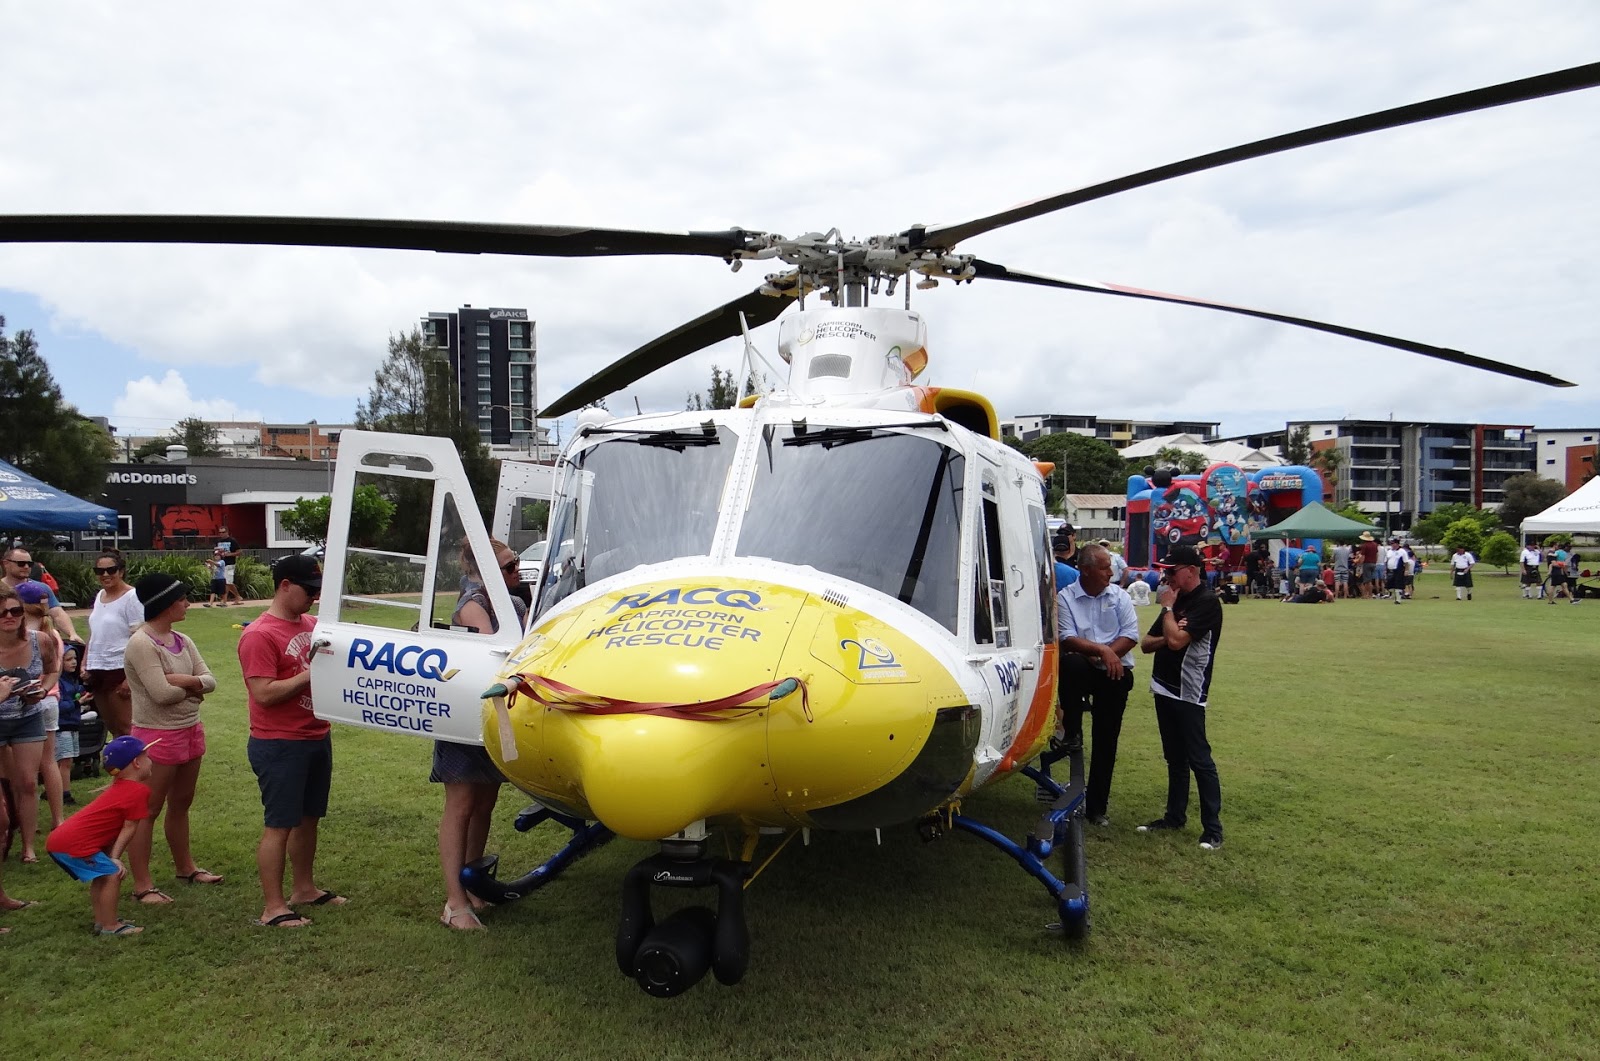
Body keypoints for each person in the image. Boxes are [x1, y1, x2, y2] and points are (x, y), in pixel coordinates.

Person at [238, 553, 342, 928]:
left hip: (315, 735)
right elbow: (263, 693)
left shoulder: (312, 624)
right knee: (279, 824)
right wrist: (310, 675)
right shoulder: (259, 635)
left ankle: (304, 889)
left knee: (308, 819)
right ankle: (273, 908)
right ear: (284, 586)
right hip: (279, 743)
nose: (314, 598)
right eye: (308, 590)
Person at [435, 537, 526, 930]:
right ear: (487, 570)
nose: (517, 573)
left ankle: (472, 886)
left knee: (485, 802)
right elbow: (498, 652)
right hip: (465, 714)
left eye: (516, 563)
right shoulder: (473, 604)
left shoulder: (512, 602)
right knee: (461, 804)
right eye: (508, 567)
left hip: (492, 714)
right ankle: (455, 902)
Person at [124, 573, 224, 905]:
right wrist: (192, 685)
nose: (188, 603)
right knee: (147, 811)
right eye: (182, 598)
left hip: (190, 730)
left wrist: (185, 681)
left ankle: (186, 868)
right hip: (156, 736)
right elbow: (160, 694)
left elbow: (210, 680)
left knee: (181, 804)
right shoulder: (141, 643)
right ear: (166, 604)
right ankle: (143, 885)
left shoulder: (183, 639)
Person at [1136, 543, 1225, 850]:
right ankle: (1174, 817)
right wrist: (1171, 624)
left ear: (1190, 571)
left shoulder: (1206, 601)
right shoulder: (1177, 600)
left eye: (1171, 572)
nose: (1167, 578)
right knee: (1174, 757)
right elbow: (1146, 644)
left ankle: (1213, 830)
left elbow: (1176, 642)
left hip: (1189, 689)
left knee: (1199, 758)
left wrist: (1168, 610)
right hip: (1163, 686)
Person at [1056, 544, 1138, 827]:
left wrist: (1108, 655)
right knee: (1071, 665)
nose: (1111, 573)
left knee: (1107, 740)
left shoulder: (1120, 596)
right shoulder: (1065, 598)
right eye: (1105, 568)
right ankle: (1073, 730)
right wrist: (1103, 652)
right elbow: (1067, 637)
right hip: (1086, 668)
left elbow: (1130, 634)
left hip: (1114, 673)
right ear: (1086, 570)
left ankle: (1097, 809)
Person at [43, 734, 156, 936]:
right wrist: (114, 858)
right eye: (147, 756)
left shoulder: (121, 787)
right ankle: (110, 926)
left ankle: (102, 920)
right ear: (137, 763)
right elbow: (129, 828)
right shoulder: (138, 791)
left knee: (102, 876)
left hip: (61, 841)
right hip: (71, 844)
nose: (152, 761)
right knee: (112, 874)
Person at [0, 582, 61, 864]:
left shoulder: (40, 640)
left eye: (15, 611)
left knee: (27, 782)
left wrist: (42, 691)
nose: (9, 617)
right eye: (2, 613)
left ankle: (28, 847)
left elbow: (51, 670)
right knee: (6, 784)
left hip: (28, 717)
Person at [18, 582, 67, 830]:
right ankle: (58, 818)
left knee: (24, 768)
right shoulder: (53, 633)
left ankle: (29, 820)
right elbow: (56, 670)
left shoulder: (22, 633)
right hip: (50, 698)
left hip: (29, 700)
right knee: (49, 762)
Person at [84, 549, 142, 737]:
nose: (106, 575)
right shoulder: (100, 596)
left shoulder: (132, 597)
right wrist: (85, 662)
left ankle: (137, 764)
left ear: (121, 571)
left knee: (126, 727)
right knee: (111, 725)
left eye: (111, 570)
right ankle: (121, 765)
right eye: (100, 571)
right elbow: (94, 632)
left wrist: (129, 677)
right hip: (98, 667)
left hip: (119, 667)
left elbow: (140, 637)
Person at [1, 544, 79, 641]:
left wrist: (72, 634)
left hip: (36, 644)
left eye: (30, 564)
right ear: (6, 564)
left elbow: (57, 613)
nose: (26, 567)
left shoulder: (41, 588)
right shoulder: (2, 588)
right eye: (21, 563)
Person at [56, 642, 85, 805]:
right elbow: (59, 706)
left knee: (69, 760)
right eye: (68, 659)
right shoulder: (59, 682)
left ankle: (56, 789)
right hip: (63, 726)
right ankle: (65, 794)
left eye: (75, 659)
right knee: (65, 760)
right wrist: (77, 702)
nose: (73, 662)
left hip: (73, 724)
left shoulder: (73, 681)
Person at [217, 529, 244, 605]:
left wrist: (230, 554)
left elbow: (239, 552)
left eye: (223, 532)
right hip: (221, 564)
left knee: (227, 582)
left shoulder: (232, 541)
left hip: (230, 564)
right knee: (228, 582)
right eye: (220, 532)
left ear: (227, 532)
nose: (221, 534)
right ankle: (238, 596)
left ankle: (224, 600)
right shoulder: (219, 541)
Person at [1357, 532, 1379, 599]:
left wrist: (1360, 563)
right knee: (1370, 580)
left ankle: (1367, 595)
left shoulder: (1364, 545)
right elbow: (1377, 554)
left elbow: (1363, 556)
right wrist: (1375, 561)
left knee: (1367, 580)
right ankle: (1369, 594)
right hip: (1373, 563)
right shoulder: (1375, 544)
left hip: (1367, 563)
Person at [1384, 538, 1407, 604]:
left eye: (1393, 543)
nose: (1392, 545)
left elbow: (1406, 562)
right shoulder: (1389, 551)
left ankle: (1398, 599)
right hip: (1390, 570)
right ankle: (1394, 595)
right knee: (1389, 586)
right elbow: (1386, 561)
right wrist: (1385, 569)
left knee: (1398, 585)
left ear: (1397, 544)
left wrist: (1406, 570)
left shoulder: (1402, 551)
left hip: (1398, 570)